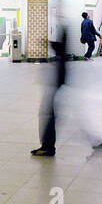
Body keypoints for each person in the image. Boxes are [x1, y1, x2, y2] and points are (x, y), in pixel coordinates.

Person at [31, 26, 69, 157]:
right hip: (57, 83)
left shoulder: (64, 30)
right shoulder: (64, 32)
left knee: (48, 115)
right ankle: (47, 146)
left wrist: (47, 43)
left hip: (57, 83)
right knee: (48, 115)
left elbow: (61, 49)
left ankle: (47, 147)